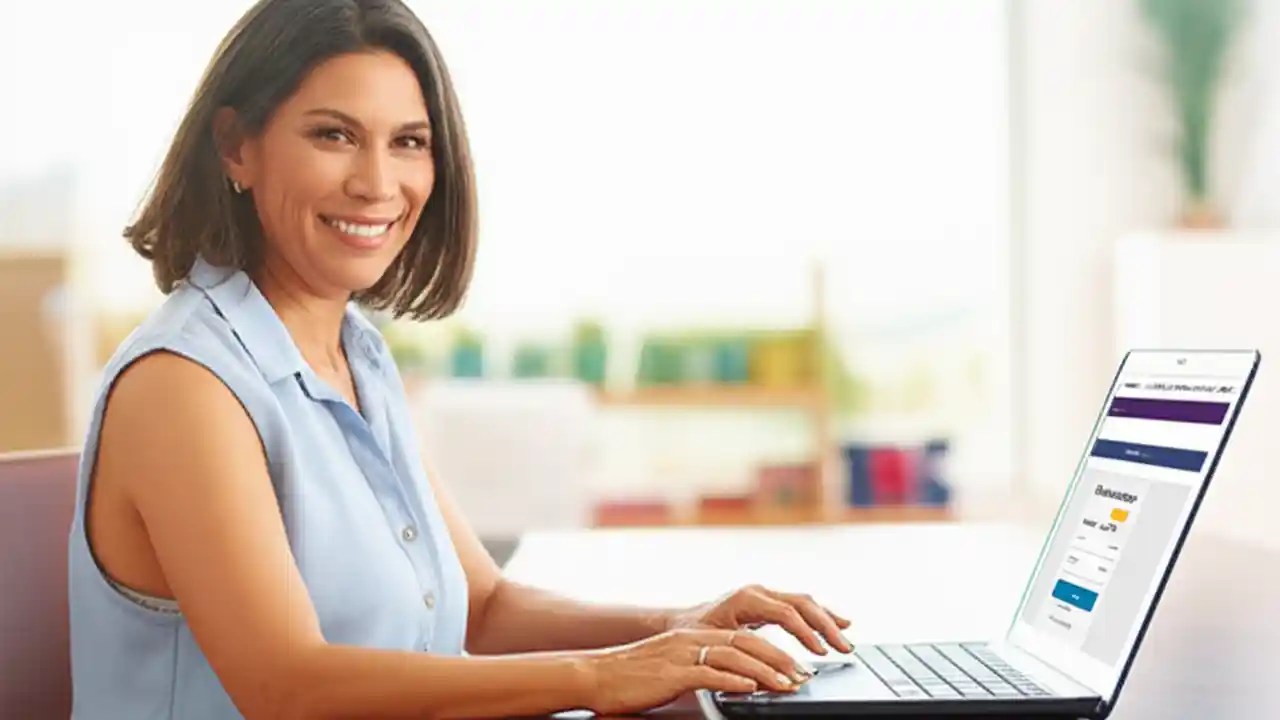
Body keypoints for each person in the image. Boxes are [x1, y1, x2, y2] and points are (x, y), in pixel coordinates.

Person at [68, 0, 854, 717]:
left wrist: (679, 629)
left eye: (408, 143)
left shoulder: (357, 356)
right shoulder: (183, 384)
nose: (379, 183)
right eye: (334, 135)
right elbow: (288, 687)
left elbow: (482, 610)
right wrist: (600, 676)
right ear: (236, 146)